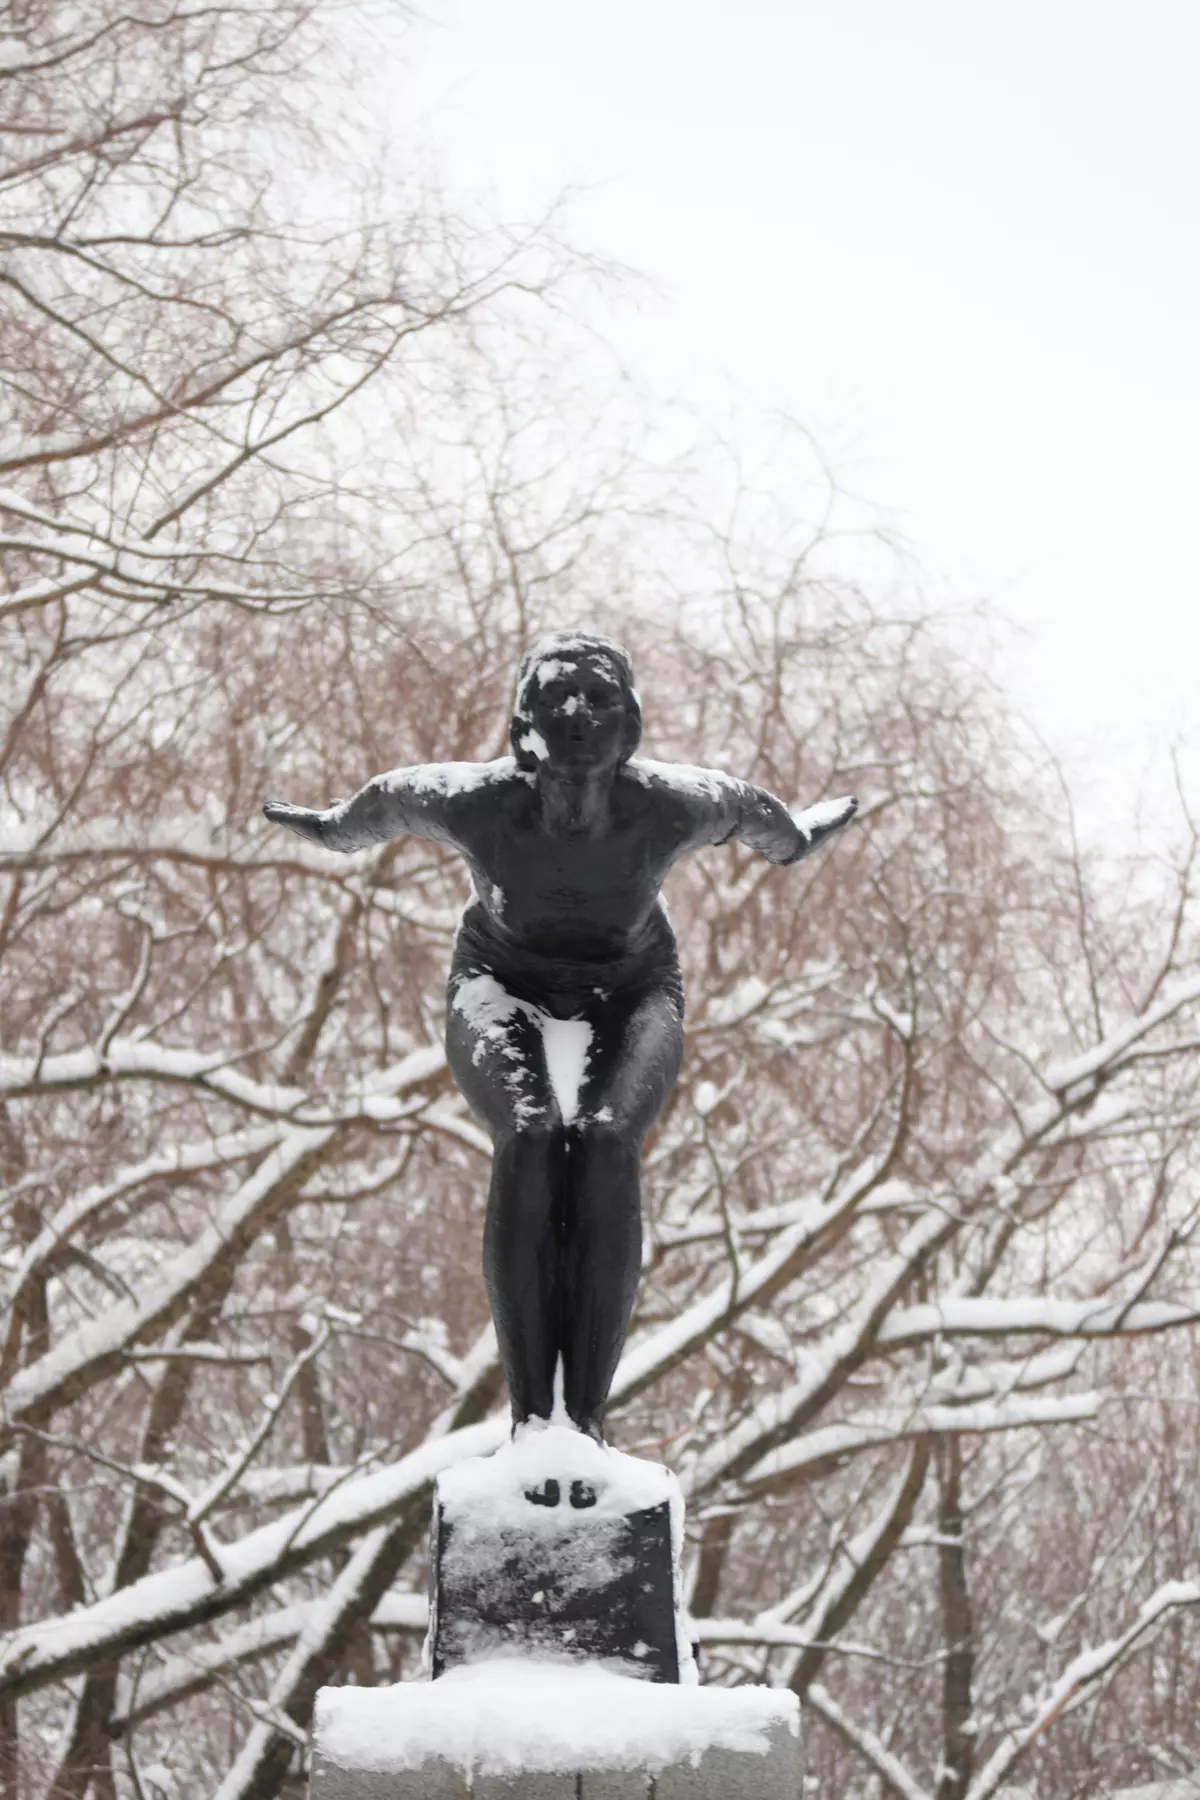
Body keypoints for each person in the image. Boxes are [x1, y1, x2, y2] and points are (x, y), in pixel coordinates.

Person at [264, 631, 856, 1445]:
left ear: (632, 726)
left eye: (600, 700)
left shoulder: (676, 805)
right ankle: (531, 1418)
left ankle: (585, 1421)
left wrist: (809, 833)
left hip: (634, 989)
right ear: (522, 730)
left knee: (608, 1142)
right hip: (500, 985)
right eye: (557, 700)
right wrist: (325, 827)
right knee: (534, 1136)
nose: (579, 717)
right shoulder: (473, 803)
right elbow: (376, 807)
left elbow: (771, 829)